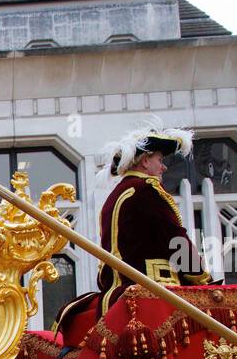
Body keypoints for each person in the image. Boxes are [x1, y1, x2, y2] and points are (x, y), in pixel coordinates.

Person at [53, 123, 210, 345]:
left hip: (115, 291)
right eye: (159, 160)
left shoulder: (115, 196)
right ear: (145, 160)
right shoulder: (147, 189)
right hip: (152, 294)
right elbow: (176, 240)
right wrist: (203, 280)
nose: (163, 167)